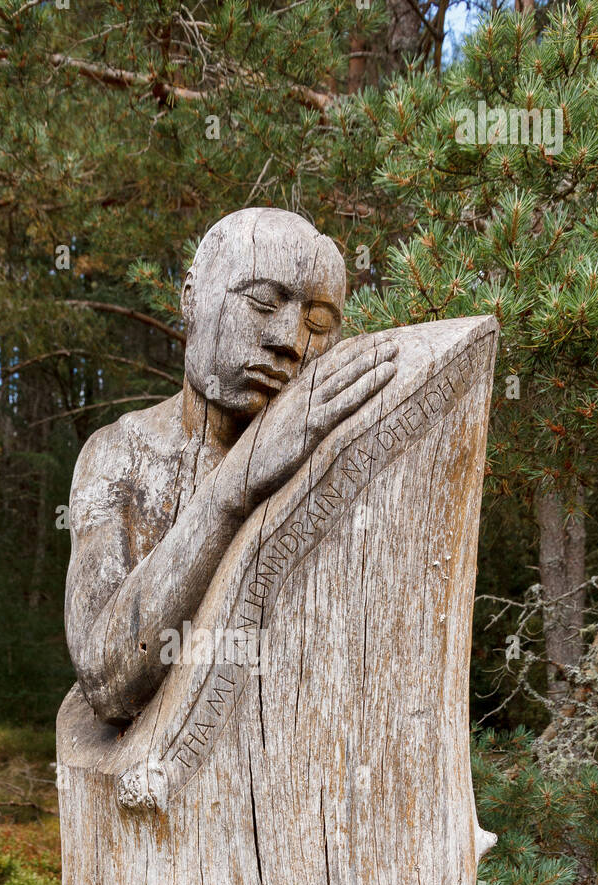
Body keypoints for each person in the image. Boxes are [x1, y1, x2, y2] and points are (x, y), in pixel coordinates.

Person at [64, 207, 397, 725]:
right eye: (263, 301)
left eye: (318, 323)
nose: (289, 340)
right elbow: (104, 682)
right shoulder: (118, 455)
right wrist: (230, 490)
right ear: (191, 296)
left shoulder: (337, 452)